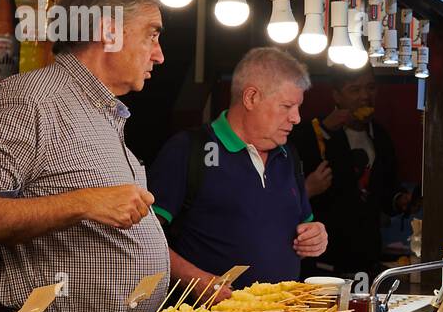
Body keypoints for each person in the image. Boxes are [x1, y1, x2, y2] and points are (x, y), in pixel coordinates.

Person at [0, 0, 170, 312]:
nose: (159, 54)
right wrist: (83, 203)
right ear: (108, 32)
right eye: (151, 35)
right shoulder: (29, 99)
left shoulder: (105, 112)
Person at [148, 47, 328, 297]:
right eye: (287, 106)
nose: (297, 118)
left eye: (298, 107)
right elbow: (143, 237)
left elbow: (305, 226)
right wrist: (195, 280)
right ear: (251, 98)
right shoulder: (188, 149)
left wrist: (316, 237)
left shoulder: (288, 155)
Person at [290, 66, 409, 278]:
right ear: (336, 94)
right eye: (355, 90)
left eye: (371, 88)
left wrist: (400, 200)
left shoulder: (380, 137)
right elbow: (288, 193)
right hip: (323, 260)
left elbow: (386, 193)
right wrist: (326, 129)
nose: (365, 96)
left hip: (367, 258)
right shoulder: (311, 134)